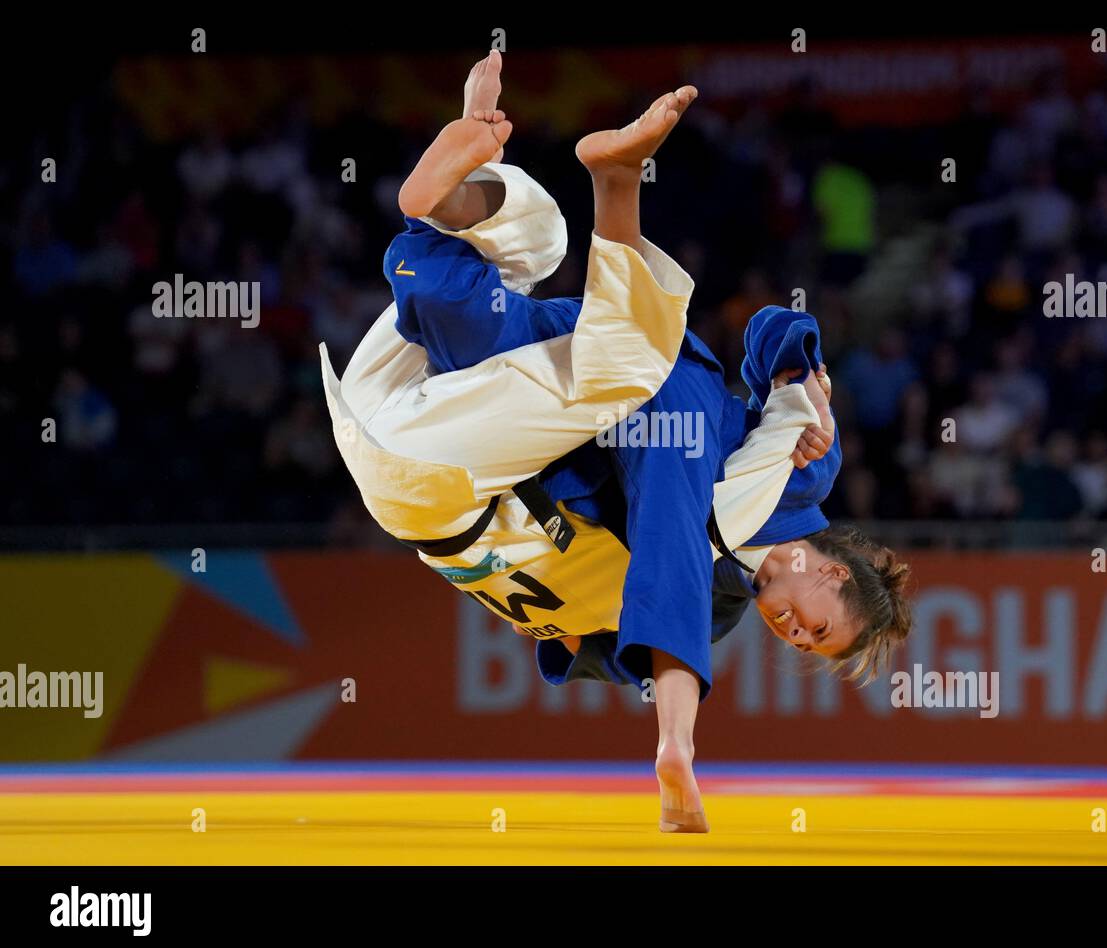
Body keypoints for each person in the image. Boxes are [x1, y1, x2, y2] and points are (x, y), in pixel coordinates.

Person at [324, 53, 913, 831]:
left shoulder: (712, 593)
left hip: (449, 475)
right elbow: (774, 328)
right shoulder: (802, 466)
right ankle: (484, 182)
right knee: (535, 245)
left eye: (807, 647)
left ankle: (606, 182)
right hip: (398, 404)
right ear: (826, 566)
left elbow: (617, 622)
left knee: (630, 363)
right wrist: (802, 373)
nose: (797, 636)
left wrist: (658, 721)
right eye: (819, 624)